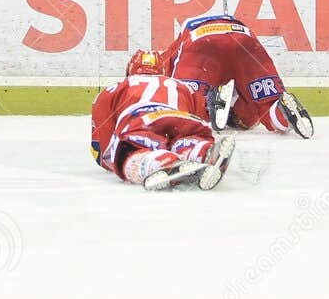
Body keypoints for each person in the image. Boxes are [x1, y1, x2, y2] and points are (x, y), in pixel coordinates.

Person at [90, 49, 235, 192]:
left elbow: (100, 139)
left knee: (128, 152)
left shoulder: (118, 87)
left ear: (130, 70)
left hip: (142, 119)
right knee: (184, 141)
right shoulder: (182, 86)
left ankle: (160, 162)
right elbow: (208, 109)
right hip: (182, 118)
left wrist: (113, 160)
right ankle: (202, 152)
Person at [165, 13, 314, 138]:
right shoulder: (243, 109)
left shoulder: (180, 40)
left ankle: (208, 106)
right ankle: (280, 107)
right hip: (245, 39)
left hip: (202, 41)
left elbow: (168, 83)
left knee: (187, 103)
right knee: (266, 106)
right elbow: (247, 114)